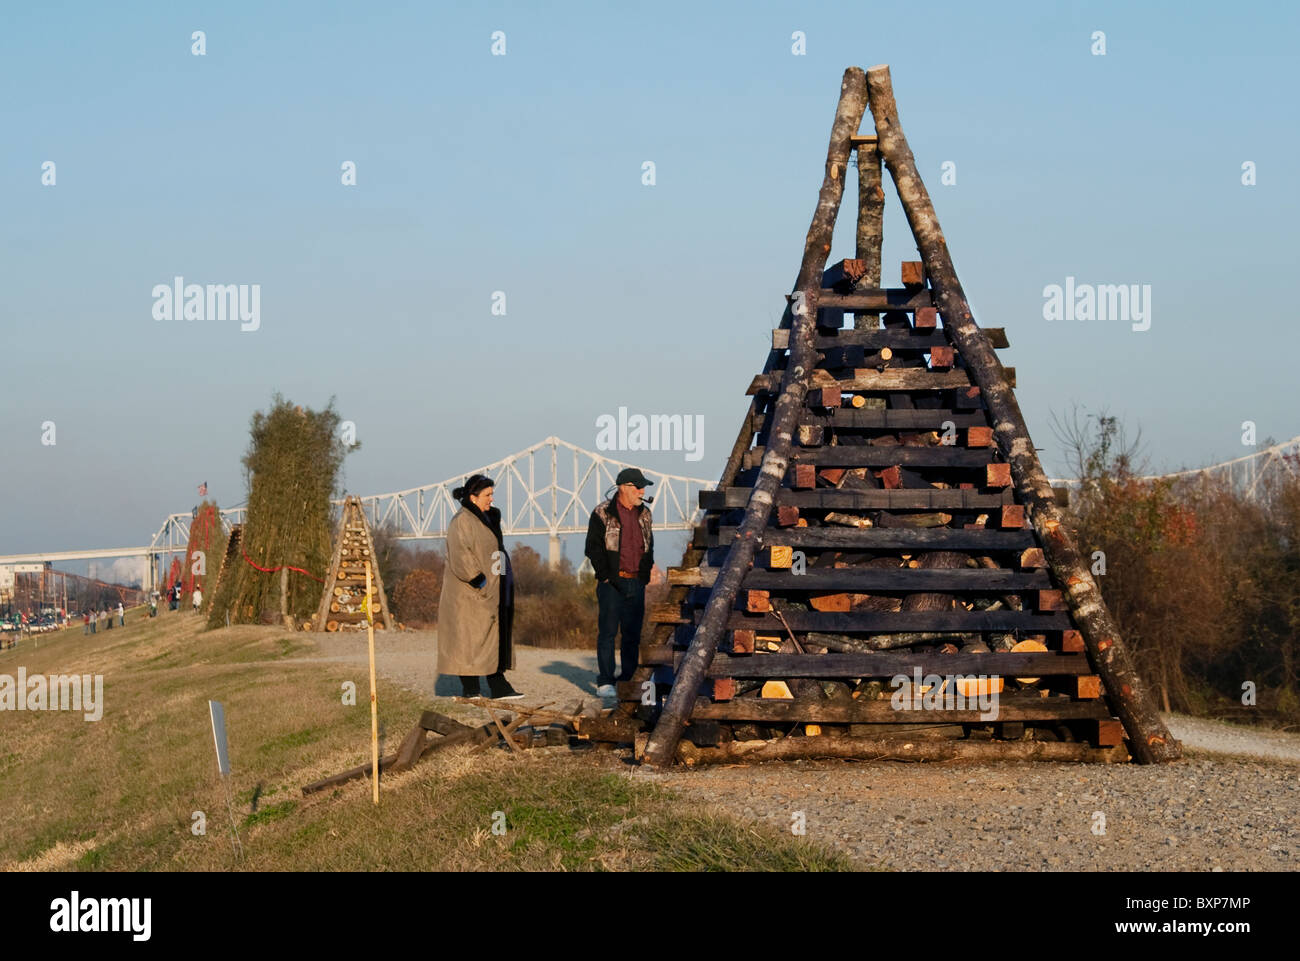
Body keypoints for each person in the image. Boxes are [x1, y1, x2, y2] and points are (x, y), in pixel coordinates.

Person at [436, 473, 522, 700]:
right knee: (469, 640)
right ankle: (473, 689)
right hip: (468, 594)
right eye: (487, 495)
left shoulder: (488, 519)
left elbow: (498, 551)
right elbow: (461, 555)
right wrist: (480, 581)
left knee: (489, 638)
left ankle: (497, 686)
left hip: (493, 590)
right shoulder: (462, 521)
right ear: (473, 497)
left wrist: (505, 579)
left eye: (492, 494)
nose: (491, 499)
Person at [584, 467, 655, 701]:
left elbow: (649, 546)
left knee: (632, 635)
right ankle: (605, 681)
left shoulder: (645, 513)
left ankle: (627, 678)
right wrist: (605, 576)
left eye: (643, 487)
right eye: (638, 486)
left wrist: (644, 575)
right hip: (611, 584)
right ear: (623, 488)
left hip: (637, 582)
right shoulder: (602, 513)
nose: (642, 491)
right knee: (607, 632)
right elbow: (593, 548)